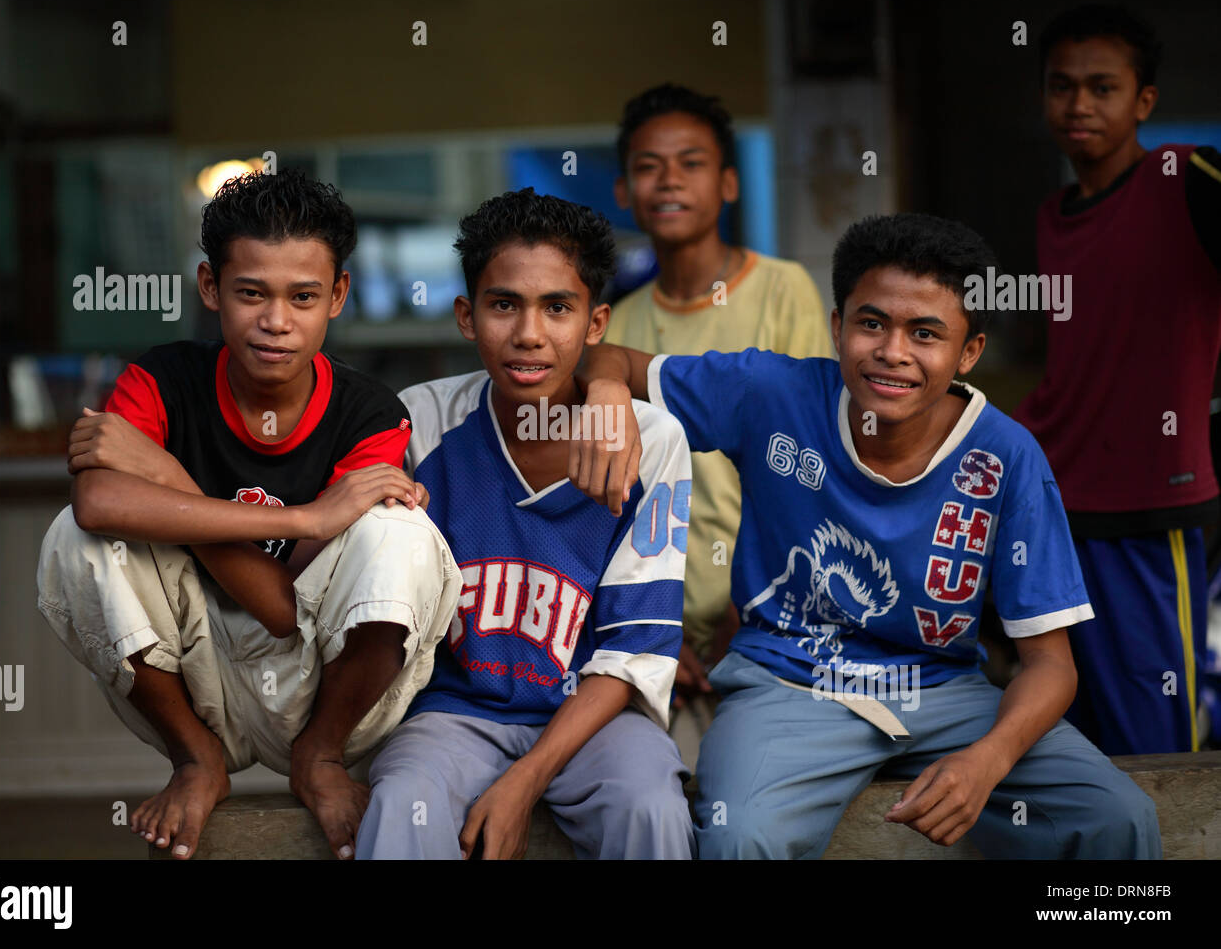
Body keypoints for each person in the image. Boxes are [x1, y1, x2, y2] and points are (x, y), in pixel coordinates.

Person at [576, 212, 1161, 858]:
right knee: (739, 835)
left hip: (946, 694)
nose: (893, 351)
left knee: (1120, 818)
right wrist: (604, 388)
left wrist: (987, 761)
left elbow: (1050, 664)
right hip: (789, 685)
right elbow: (609, 357)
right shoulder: (771, 394)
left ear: (969, 353)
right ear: (837, 325)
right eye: (872, 322)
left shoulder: (1006, 458)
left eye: (926, 333)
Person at [35, 169, 461, 860]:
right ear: (211, 288)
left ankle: (318, 758)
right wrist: (306, 520)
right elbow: (96, 501)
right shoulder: (163, 378)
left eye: (303, 297)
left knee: (401, 533)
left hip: (325, 682)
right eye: (250, 293)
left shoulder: (370, 413)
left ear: (338, 297)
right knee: (77, 537)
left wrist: (166, 483)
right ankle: (195, 759)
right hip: (197, 674)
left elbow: (282, 611)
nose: (276, 321)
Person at [356, 188, 695, 860]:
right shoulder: (419, 423)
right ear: (466, 315)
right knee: (401, 804)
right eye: (504, 304)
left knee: (652, 807)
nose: (529, 333)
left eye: (558, 308)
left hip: (596, 719)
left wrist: (522, 783)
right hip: (452, 713)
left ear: (596, 323)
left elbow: (632, 653)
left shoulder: (650, 439)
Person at [1014, 4, 1221, 754]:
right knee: (1072, 744)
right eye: (1061, 86)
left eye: (1102, 88)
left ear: (1144, 102)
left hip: (1149, 509)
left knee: (1163, 747)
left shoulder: (1183, 176)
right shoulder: (1052, 213)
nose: (1078, 105)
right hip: (1052, 508)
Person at [608, 84, 833, 707]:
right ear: (624, 192)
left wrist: (757, 600)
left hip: (772, 614)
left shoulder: (782, 291)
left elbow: (810, 458)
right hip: (651, 625)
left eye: (692, 163)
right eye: (649, 167)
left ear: (729, 184)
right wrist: (643, 625)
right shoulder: (612, 326)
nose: (669, 181)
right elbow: (609, 496)